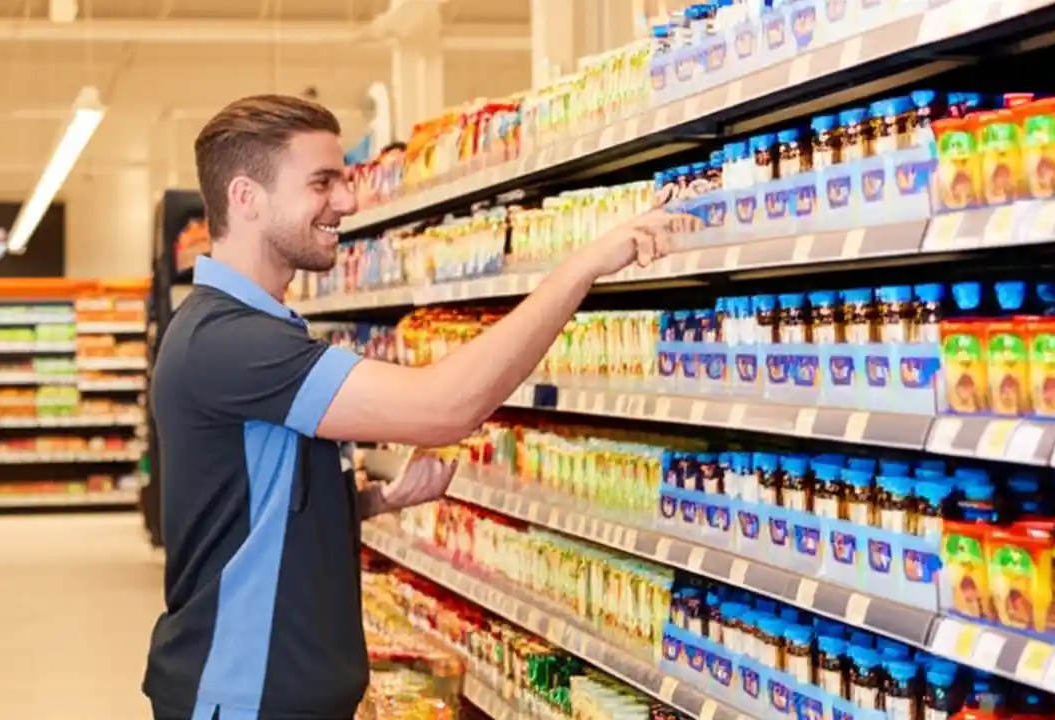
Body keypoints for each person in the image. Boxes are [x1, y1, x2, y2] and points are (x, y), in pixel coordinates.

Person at [142, 94, 695, 720]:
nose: (347, 202)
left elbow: (245, 504)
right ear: (246, 197)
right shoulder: (230, 341)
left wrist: (376, 501)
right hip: (244, 698)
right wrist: (582, 267)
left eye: (345, 181)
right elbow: (445, 407)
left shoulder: (249, 329)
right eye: (322, 183)